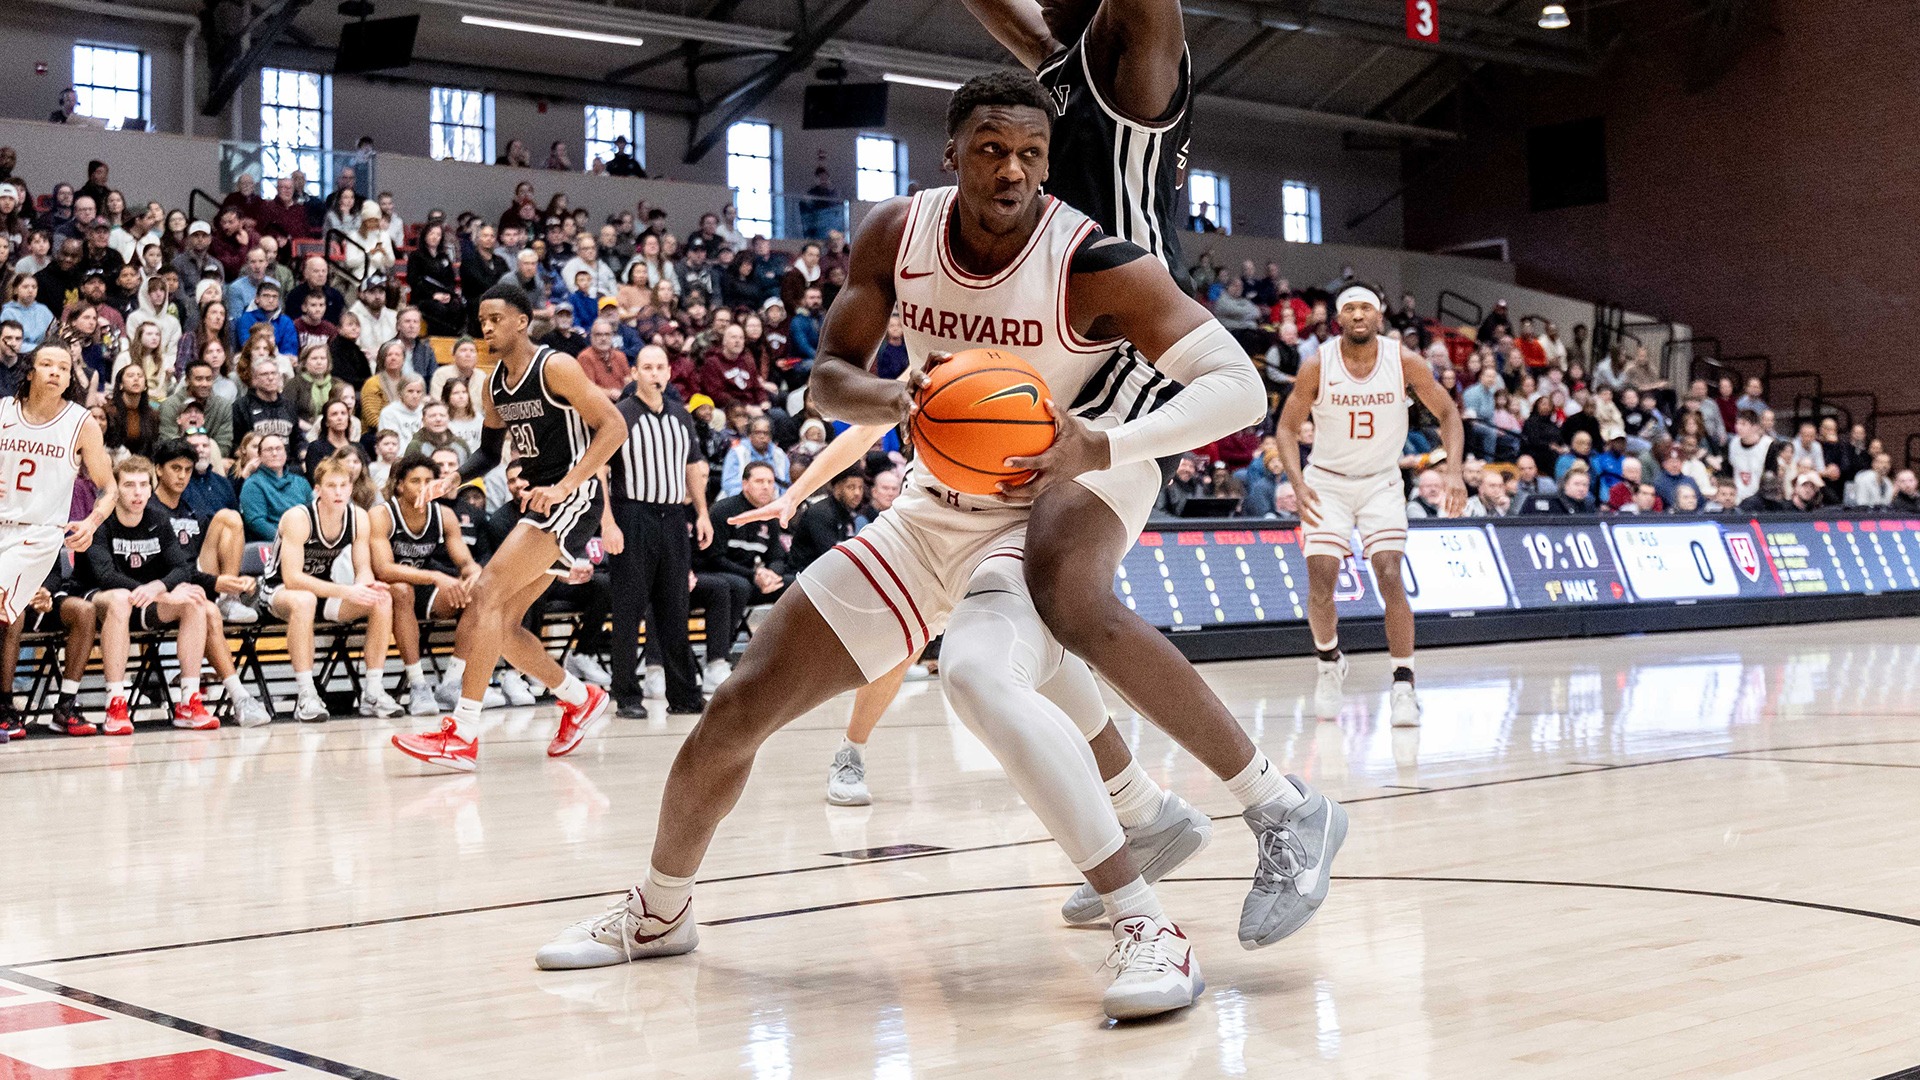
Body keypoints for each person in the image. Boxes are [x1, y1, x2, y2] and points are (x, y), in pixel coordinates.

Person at [529, 74, 1283, 1021]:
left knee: (977, 675)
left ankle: (1146, 922)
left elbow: (1241, 390)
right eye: (992, 149)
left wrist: (1102, 443)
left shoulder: (1090, 257)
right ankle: (660, 908)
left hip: (1042, 514)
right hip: (931, 509)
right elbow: (826, 383)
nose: (1012, 170)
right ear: (952, 153)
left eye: (1031, 154)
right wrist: (892, 400)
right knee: (739, 704)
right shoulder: (896, 231)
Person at [390, 281, 626, 770]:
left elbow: (614, 427)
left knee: (485, 594)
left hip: (570, 497)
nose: (487, 329)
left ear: (521, 320)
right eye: (481, 323)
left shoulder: (556, 366)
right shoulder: (495, 383)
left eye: (495, 319)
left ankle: (462, 733)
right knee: (505, 626)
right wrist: (456, 476)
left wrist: (567, 485)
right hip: (538, 503)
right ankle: (579, 698)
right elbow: (488, 454)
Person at [1275, 284, 1465, 727]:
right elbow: (1286, 429)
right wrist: (1297, 482)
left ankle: (1403, 684)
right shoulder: (1318, 364)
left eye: (1366, 308)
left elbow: (1450, 415)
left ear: (1379, 316)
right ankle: (1329, 663)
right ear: (1338, 318)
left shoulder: (1403, 360)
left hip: (1381, 482)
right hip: (1328, 483)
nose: (1358, 314)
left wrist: (1453, 471)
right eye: (1350, 308)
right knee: (1321, 580)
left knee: (1388, 574)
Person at [0, 344, 116, 728]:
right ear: (29, 372)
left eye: (64, 367)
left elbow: (109, 487)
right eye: (47, 364)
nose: (55, 372)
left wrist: (91, 522)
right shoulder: (3, 412)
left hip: (37, 535)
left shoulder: (81, 423)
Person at [76, 456, 227, 733]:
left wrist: (159, 588)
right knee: (121, 599)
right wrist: (159, 594)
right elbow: (105, 576)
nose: (137, 492)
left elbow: (182, 567)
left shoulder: (157, 518)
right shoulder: (100, 520)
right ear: (116, 489)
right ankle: (115, 703)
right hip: (98, 599)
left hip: (144, 599)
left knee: (193, 601)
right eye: (129, 485)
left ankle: (189, 700)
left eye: (144, 485)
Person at [604, 345, 711, 718]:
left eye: (660, 367)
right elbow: (600, 471)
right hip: (631, 515)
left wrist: (701, 513)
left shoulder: (681, 416)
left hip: (673, 517)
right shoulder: (620, 415)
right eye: (646, 367)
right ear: (634, 372)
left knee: (675, 607)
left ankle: (683, 695)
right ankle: (627, 696)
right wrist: (608, 522)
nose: (654, 374)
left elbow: (693, 466)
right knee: (629, 609)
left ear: (669, 372)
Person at [258, 453, 401, 721]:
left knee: (381, 598)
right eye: (331, 486)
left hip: (324, 589)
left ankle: (373, 691)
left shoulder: (358, 517)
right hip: (277, 592)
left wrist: (364, 585)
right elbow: (292, 579)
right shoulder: (298, 518)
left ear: (351, 487)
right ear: (317, 489)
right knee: (304, 601)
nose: (338, 492)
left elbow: (364, 568)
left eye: (344, 485)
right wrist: (347, 591)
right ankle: (306, 695)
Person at [370, 453, 485, 716]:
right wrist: (436, 577)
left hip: (422, 587)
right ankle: (418, 685)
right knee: (401, 590)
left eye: (429, 481)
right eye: (415, 481)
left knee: (475, 594)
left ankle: (452, 683)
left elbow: (465, 562)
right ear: (399, 485)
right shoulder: (382, 514)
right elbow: (384, 569)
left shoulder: (444, 514)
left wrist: (473, 574)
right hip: (386, 593)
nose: (423, 487)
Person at [0, 560, 99, 738]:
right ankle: (4, 706)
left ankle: (66, 705)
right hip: (7, 596)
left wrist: (46, 591)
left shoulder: (46, 531)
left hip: (40, 597)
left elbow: (55, 570)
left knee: (84, 611)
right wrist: (20, 593)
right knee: (12, 615)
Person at [239, 433, 312, 540]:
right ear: (259, 456)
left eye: (279, 448)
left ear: (285, 454)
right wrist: (285, 540)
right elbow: (256, 522)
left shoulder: (301, 482)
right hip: (274, 544)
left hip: (306, 539)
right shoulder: (252, 484)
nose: (274, 453)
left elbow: (314, 512)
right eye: (269, 449)